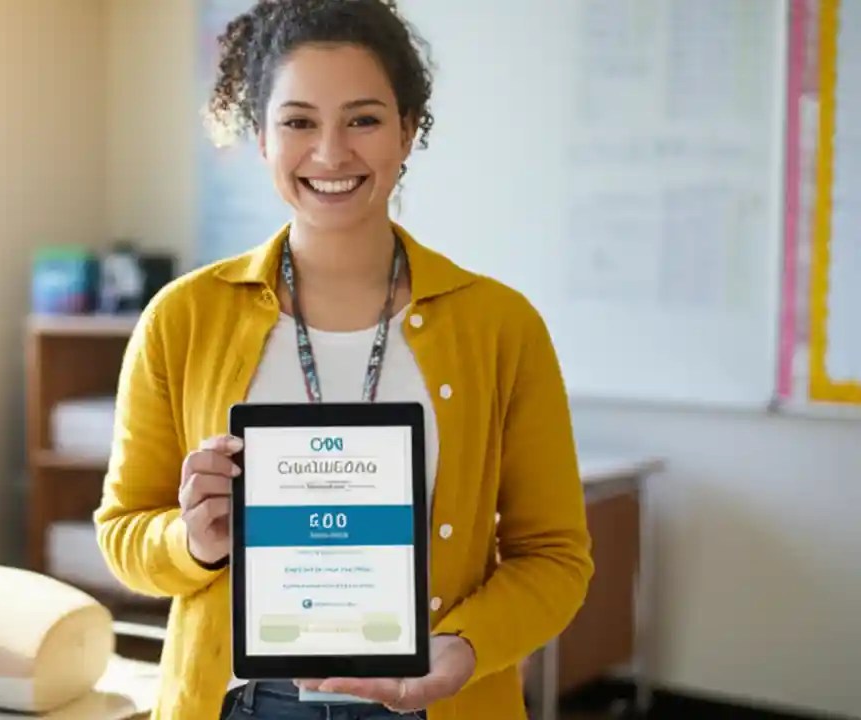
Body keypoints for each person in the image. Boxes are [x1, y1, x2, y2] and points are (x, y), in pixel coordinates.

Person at [93, 1, 594, 717]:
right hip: (243, 704)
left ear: (408, 132)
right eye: (298, 122)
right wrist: (192, 539)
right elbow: (121, 536)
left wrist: (466, 647)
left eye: (362, 119)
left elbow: (556, 558)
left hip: (434, 703)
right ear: (260, 138)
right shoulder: (182, 317)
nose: (330, 154)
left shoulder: (501, 326)